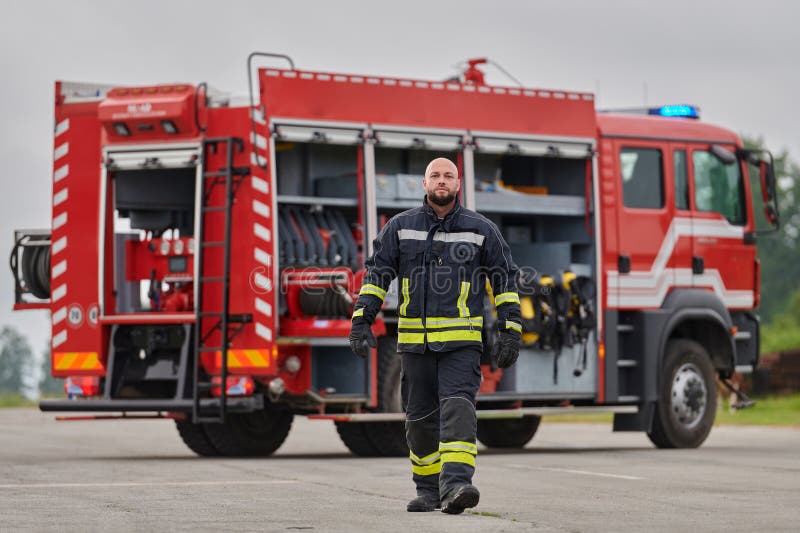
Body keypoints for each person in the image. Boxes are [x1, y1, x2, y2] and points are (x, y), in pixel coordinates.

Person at [349, 158, 522, 514]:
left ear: (458, 184)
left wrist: (510, 330)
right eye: (435, 176)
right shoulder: (399, 227)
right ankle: (428, 490)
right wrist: (361, 319)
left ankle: (457, 485)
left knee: (458, 409)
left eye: (448, 176)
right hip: (415, 344)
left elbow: (504, 280)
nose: (441, 181)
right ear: (423, 184)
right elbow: (377, 274)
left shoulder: (481, 229)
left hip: (462, 344)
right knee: (418, 420)